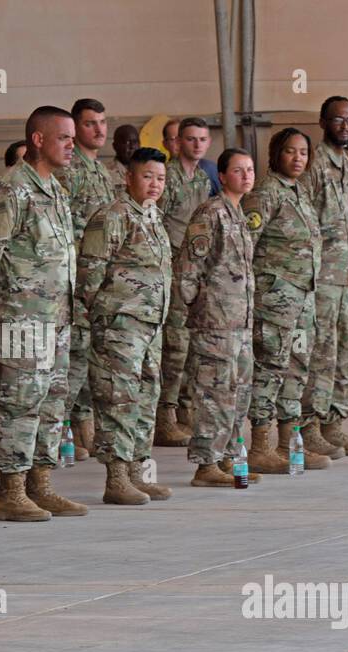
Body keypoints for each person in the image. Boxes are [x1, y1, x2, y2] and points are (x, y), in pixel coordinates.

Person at [0, 106, 84, 521]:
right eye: (64, 138)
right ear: (38, 140)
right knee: (19, 403)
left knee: (52, 402)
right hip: (21, 319)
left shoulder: (53, 188)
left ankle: (40, 483)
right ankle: (11, 491)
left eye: (73, 138)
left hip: (55, 317)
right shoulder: (11, 190)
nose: (71, 145)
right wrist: (8, 308)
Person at [81, 147, 173, 504]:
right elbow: (90, 273)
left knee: (146, 398)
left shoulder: (153, 218)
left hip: (151, 326)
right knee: (117, 399)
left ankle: (138, 472)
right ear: (129, 177)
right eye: (148, 176)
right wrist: (104, 317)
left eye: (161, 178)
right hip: (120, 325)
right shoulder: (113, 216)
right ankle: (116, 478)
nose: (155, 184)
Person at [242, 128, 329, 473]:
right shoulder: (264, 194)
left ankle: (288, 444)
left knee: (296, 369)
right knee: (269, 369)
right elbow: (245, 246)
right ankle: (260, 446)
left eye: (304, 153)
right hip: (274, 300)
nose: (298, 159)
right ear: (277, 153)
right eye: (291, 152)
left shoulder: (300, 192)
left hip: (302, 298)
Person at [179, 148, 261, 487]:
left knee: (238, 393)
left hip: (239, 323)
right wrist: (202, 309)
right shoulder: (210, 213)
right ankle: (206, 465)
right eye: (238, 170)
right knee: (213, 393)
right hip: (215, 323)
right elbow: (188, 269)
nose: (246, 176)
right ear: (223, 176)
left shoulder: (239, 214)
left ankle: (227, 457)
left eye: (250, 170)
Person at [299, 96, 348, 459]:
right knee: (321, 353)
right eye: (339, 120)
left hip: (347, 278)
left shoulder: (347, 164)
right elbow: (305, 221)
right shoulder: (313, 163)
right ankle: (309, 426)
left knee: (345, 352)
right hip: (322, 277)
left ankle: (335, 425)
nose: (345, 126)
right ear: (323, 122)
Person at [55, 98, 116, 462]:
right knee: (71, 362)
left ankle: (79, 432)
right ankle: (56, 437)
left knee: (87, 360)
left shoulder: (102, 171)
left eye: (102, 122)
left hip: (99, 282)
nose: (99, 129)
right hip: (76, 282)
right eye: (91, 123)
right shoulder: (71, 171)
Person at [154, 117, 212, 446]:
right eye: (190, 139)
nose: (197, 145)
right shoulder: (170, 176)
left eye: (202, 139)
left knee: (193, 345)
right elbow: (157, 221)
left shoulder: (202, 178)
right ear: (178, 142)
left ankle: (187, 409)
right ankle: (166, 416)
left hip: (196, 269)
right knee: (174, 347)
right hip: (173, 267)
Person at [108, 123, 139, 190]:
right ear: (115, 146)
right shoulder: (105, 173)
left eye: (135, 142)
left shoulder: (147, 171)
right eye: (127, 142)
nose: (132, 146)